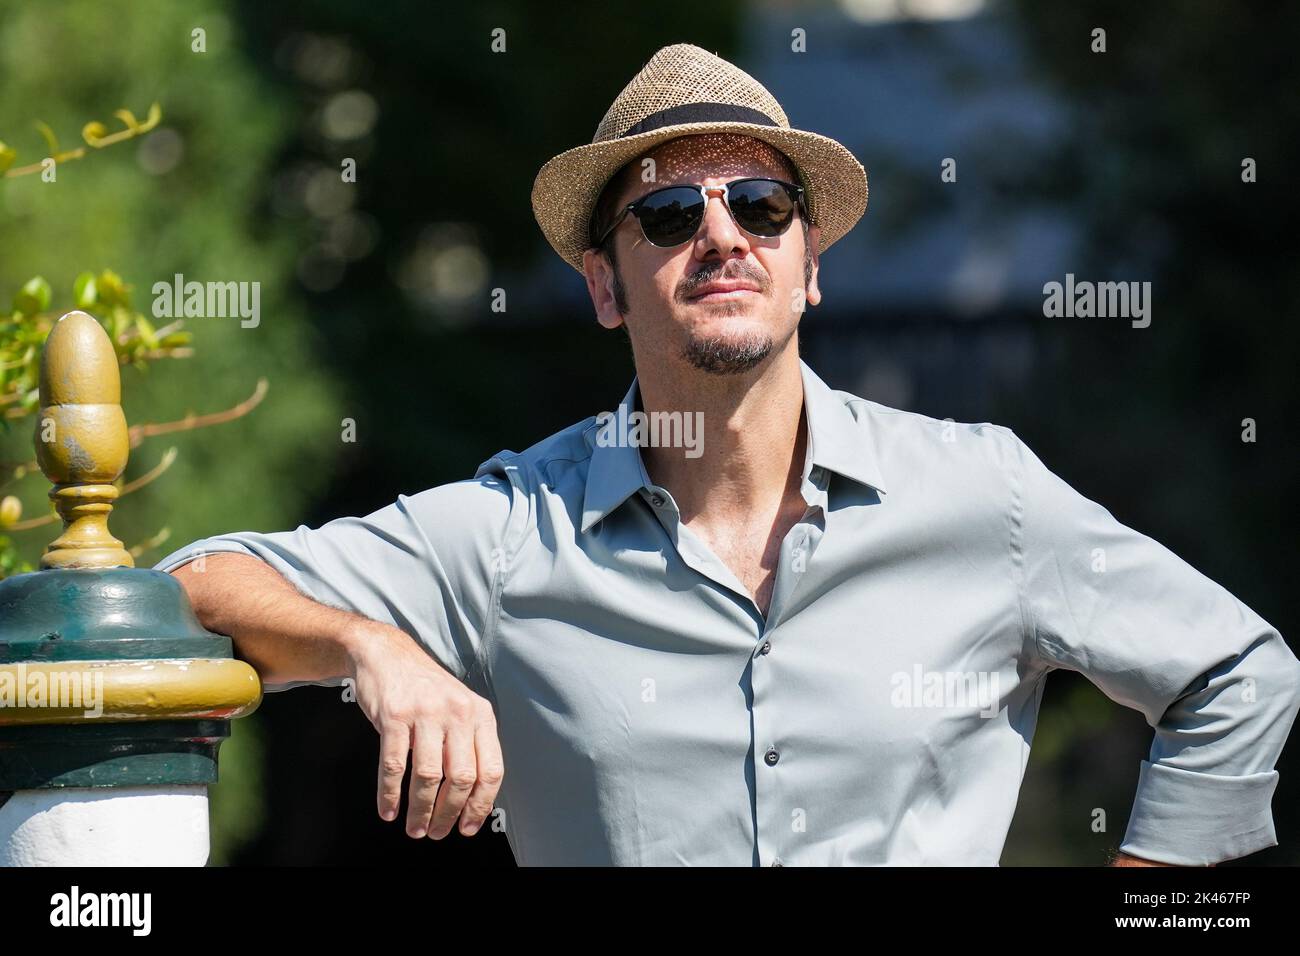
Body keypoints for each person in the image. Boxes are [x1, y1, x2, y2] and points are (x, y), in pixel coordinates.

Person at [156, 43, 1300, 866]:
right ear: (604, 282)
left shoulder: (980, 492)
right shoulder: (510, 534)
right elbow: (190, 586)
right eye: (666, 215)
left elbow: (1238, 674)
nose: (721, 235)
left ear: (809, 263)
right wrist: (368, 647)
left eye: (760, 204)